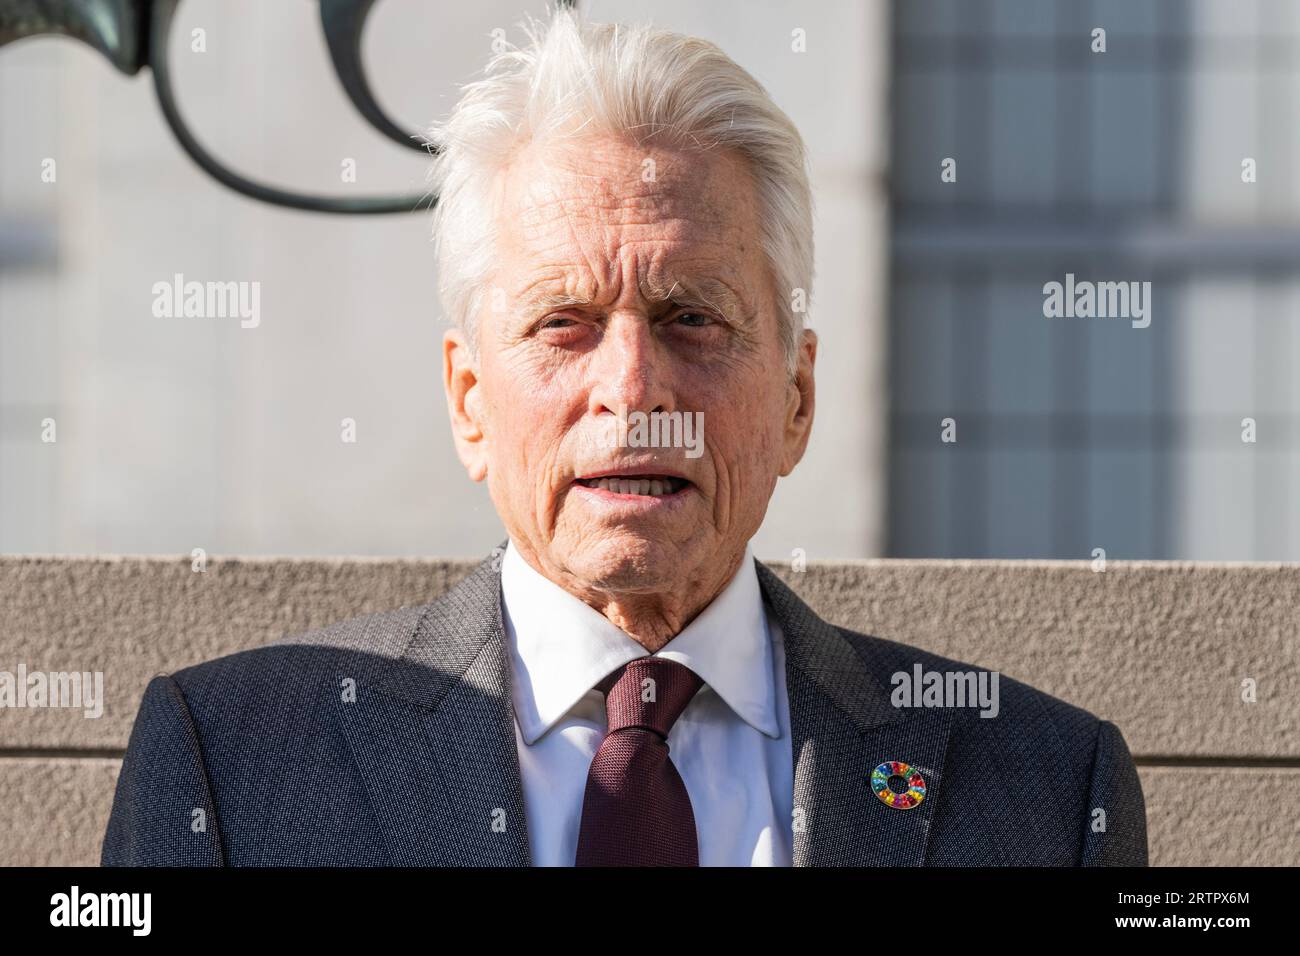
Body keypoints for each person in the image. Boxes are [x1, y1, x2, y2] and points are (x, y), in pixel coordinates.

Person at [102, 6, 1146, 867]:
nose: (635, 388)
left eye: (694, 317)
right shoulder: (232, 761)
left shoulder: (1045, 788)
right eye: (563, 323)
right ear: (469, 399)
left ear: (796, 399)